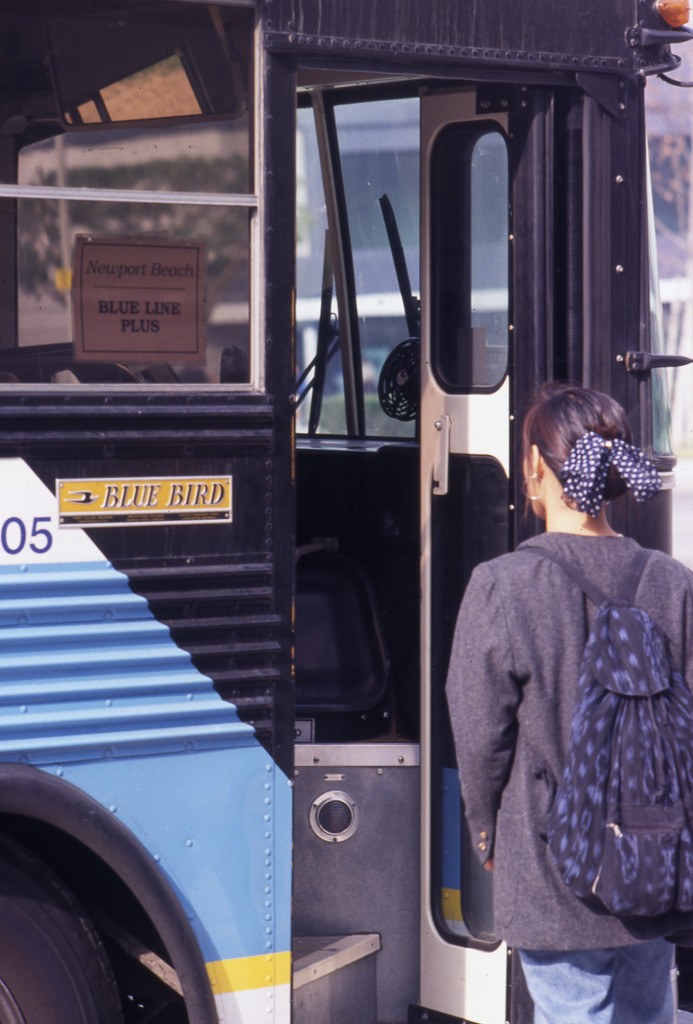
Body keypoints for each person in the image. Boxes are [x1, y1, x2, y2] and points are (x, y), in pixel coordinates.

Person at [445, 382, 693, 1024]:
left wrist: (484, 829)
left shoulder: (502, 585)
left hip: (556, 865)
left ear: (533, 468)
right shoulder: (674, 583)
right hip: (655, 863)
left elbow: (479, 731)